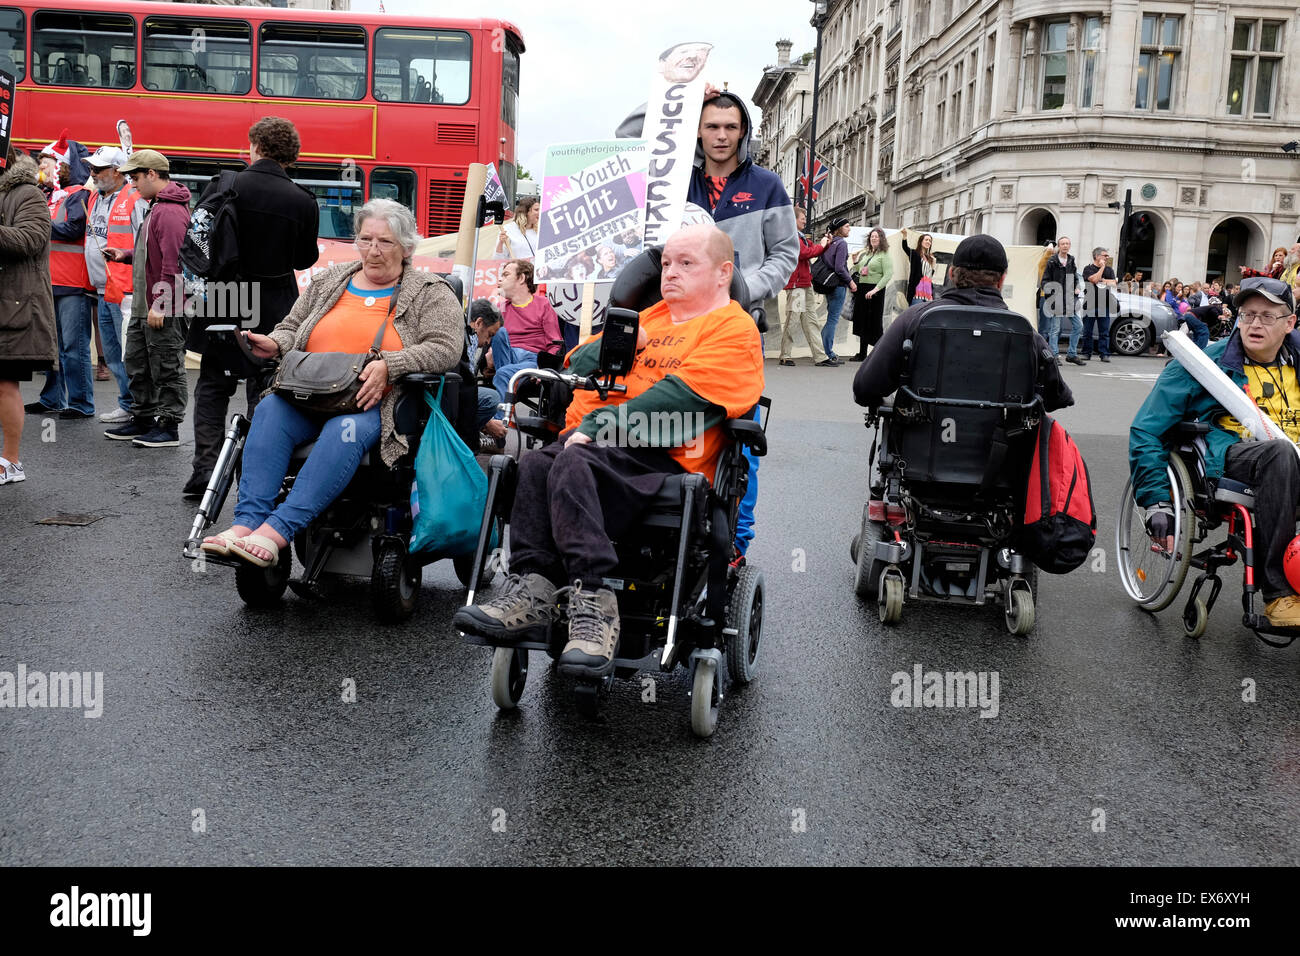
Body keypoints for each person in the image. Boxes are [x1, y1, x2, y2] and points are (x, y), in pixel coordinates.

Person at [453, 224, 764, 677]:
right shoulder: (647, 317)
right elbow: (572, 364)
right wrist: (615, 345)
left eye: (686, 264)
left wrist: (604, 424)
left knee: (575, 459)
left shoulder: (732, 329)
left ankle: (594, 599)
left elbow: (685, 400)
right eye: (667, 264)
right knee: (537, 464)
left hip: (666, 451)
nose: (669, 273)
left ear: (723, 273)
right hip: (598, 448)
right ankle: (535, 588)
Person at [200, 199, 464, 566]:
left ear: (406, 247)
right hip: (309, 392)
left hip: (373, 401)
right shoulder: (330, 280)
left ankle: (277, 531)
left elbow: (445, 348)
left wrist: (391, 364)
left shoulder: (430, 291)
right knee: (270, 409)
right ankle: (246, 525)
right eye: (365, 239)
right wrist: (275, 342)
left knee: (345, 430)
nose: (373, 251)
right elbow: (293, 328)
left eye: (385, 242)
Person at [1130, 276, 1300, 627]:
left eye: (1267, 316)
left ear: (1290, 323)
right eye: (1248, 314)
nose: (1254, 323)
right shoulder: (1204, 365)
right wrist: (1156, 500)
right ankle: (1279, 594)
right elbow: (1147, 427)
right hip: (1240, 456)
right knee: (1280, 454)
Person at [184, 117, 320, 498]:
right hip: (275, 301)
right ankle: (254, 478)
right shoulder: (302, 200)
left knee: (213, 385)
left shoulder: (226, 185)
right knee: (265, 391)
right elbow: (304, 259)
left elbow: (200, 240)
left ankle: (205, 472)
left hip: (226, 295)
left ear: (256, 146)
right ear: (290, 156)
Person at [854, 234, 1073, 414]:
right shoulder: (1024, 331)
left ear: (951, 273)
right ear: (1002, 280)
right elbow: (1058, 397)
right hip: (1001, 454)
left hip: (920, 449)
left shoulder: (915, 318)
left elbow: (865, 386)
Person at [101, 150, 192, 449]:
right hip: (147, 304)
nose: (132, 184)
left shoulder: (169, 211)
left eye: (136, 177)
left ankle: (168, 427)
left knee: (166, 366)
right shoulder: (157, 207)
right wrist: (125, 255)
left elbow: (173, 263)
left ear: (152, 174)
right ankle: (143, 418)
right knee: (138, 363)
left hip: (160, 306)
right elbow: (152, 255)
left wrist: (161, 304)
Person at [26, 143, 96, 419]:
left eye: (47, 163)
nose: (41, 168)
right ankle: (52, 398)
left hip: (72, 283)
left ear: (64, 167)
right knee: (52, 347)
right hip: (50, 281)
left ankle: (80, 403)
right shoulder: (50, 195)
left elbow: (73, 229)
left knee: (73, 347)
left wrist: (39, 220)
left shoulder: (78, 194)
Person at [0, 146, 57, 485]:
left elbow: (30, 240)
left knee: (5, 385)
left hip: (15, 305)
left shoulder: (28, 194)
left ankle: (11, 461)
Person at [83, 146, 147, 425]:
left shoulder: (135, 199)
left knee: (127, 353)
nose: (93, 173)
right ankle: (127, 403)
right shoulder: (95, 197)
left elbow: (146, 244)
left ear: (118, 171)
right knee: (111, 353)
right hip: (102, 289)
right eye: (92, 168)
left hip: (126, 292)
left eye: (99, 169)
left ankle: (137, 407)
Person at [493, 258, 563, 397]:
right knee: (498, 331)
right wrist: (490, 351)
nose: (500, 280)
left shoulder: (544, 304)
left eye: (506, 275)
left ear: (522, 278)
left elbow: (555, 344)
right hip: (506, 355)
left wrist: (543, 368)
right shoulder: (501, 309)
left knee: (503, 373)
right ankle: (507, 389)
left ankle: (502, 414)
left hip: (532, 359)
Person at [777, 205, 827, 367]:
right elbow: (806, 253)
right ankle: (785, 354)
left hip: (805, 282)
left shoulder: (800, 237)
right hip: (797, 284)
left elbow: (811, 249)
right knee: (793, 320)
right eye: (803, 218)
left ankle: (820, 356)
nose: (805, 220)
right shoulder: (792, 237)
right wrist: (822, 245)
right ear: (793, 220)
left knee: (811, 319)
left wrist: (820, 245)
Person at [468, 298, 508, 449]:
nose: (488, 341)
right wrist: (487, 423)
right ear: (478, 323)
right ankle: (469, 438)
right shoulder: (469, 338)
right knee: (491, 398)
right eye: (490, 334)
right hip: (449, 395)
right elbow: (465, 390)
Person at [816, 217, 855, 366]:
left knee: (830, 318)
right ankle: (828, 352)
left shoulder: (830, 242)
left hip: (828, 285)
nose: (849, 229)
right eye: (846, 226)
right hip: (838, 285)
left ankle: (824, 349)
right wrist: (850, 282)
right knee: (833, 319)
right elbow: (839, 267)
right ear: (839, 229)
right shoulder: (842, 244)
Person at [849, 226, 892, 361]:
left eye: (876, 236)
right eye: (872, 236)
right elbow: (859, 269)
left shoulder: (884, 255)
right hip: (863, 289)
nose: (874, 238)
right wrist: (856, 261)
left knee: (874, 323)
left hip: (875, 291)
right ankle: (862, 353)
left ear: (881, 239)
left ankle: (882, 353)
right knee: (862, 321)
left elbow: (888, 274)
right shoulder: (867, 254)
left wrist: (874, 290)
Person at [1042, 236, 1083, 364]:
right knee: (1055, 329)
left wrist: (1077, 286)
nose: (1065, 245)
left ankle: (1071, 354)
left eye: (1067, 243)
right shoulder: (1052, 261)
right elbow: (1045, 280)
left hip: (1070, 299)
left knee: (1078, 326)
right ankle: (1054, 355)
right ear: (1059, 246)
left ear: (1069, 246)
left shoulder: (1071, 260)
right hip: (1057, 299)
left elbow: (1075, 277)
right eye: (1063, 244)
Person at [1079, 246, 1116, 362]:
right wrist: (1102, 269)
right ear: (1097, 256)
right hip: (1090, 303)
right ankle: (1086, 352)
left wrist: (1101, 279)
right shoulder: (1088, 269)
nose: (1107, 257)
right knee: (1087, 331)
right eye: (1105, 255)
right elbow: (1093, 280)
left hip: (1104, 304)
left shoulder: (1110, 270)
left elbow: (1114, 283)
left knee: (1104, 332)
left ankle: (1104, 353)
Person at [494, 196, 539, 260]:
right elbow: (497, 259)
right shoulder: (507, 230)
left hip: (536, 269)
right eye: (536, 210)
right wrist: (500, 243)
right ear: (526, 212)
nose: (540, 212)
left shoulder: (540, 231)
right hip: (517, 269)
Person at [900, 228, 935, 305]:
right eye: (926, 240)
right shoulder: (915, 254)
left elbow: (930, 275)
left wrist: (933, 263)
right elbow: (905, 248)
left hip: (928, 291)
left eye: (930, 241)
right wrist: (905, 236)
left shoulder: (930, 258)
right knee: (916, 312)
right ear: (921, 241)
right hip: (917, 290)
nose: (928, 242)